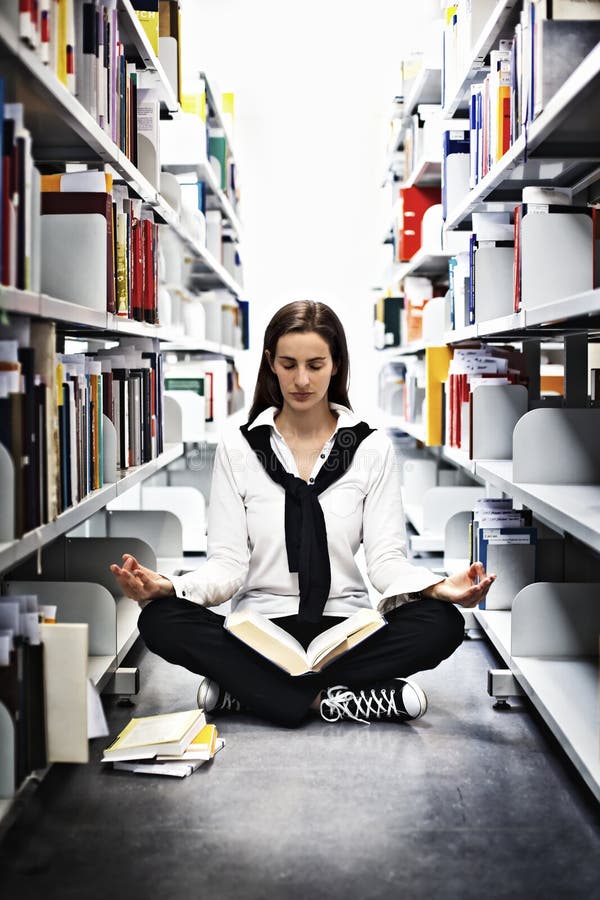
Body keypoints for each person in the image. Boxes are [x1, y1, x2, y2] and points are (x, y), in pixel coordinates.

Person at [111, 301, 495, 728]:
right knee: (161, 620)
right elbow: (227, 565)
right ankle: (329, 700)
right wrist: (170, 587)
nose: (301, 379)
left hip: (346, 629)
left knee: (442, 624)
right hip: (259, 629)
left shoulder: (370, 448)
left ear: (336, 366)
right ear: (270, 364)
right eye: (288, 364)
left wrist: (436, 588)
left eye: (315, 364)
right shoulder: (239, 448)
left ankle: (252, 694)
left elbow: (386, 560)